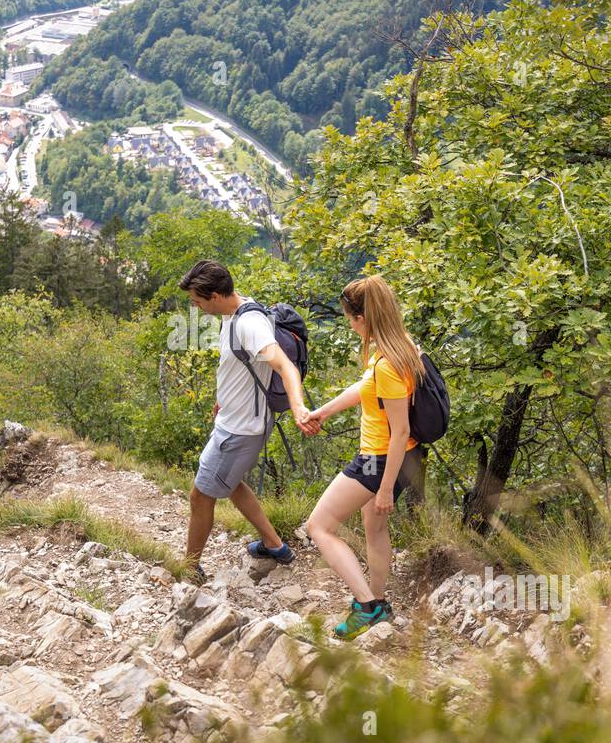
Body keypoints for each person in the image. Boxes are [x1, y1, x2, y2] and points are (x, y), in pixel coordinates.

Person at [301, 274, 426, 639]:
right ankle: (379, 602)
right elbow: (365, 387)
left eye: (351, 319)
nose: (351, 326)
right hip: (404, 457)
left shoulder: (387, 363)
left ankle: (366, 606)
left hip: (380, 460)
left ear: (362, 318)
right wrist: (322, 411)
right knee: (375, 527)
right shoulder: (401, 347)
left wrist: (385, 488)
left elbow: (399, 429)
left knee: (319, 526)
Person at [179, 260, 314, 586]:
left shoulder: (249, 325)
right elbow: (242, 366)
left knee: (200, 496)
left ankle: (189, 567)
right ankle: (275, 546)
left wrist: (298, 407)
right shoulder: (237, 310)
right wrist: (224, 396)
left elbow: (285, 367)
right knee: (231, 482)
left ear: (213, 295)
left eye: (197, 301)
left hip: (239, 430)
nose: (195, 307)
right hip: (236, 420)